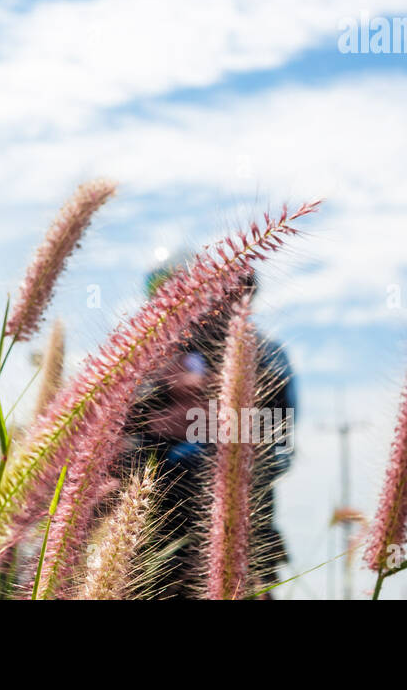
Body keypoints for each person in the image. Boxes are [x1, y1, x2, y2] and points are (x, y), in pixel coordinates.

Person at [112, 256, 296, 598]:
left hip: (241, 542)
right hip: (153, 542)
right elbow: (117, 440)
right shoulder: (159, 365)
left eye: (236, 292)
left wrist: (210, 441)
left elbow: (280, 449)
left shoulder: (267, 358)